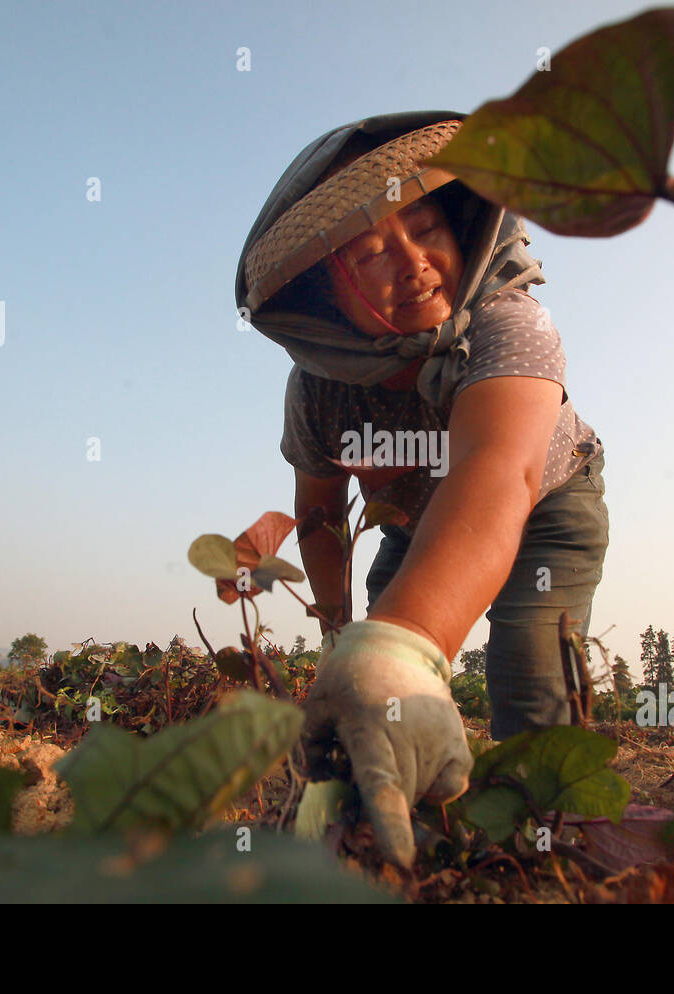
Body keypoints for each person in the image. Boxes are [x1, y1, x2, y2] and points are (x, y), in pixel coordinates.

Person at [235, 111, 609, 869]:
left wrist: (407, 642)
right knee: (381, 700)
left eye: (426, 226)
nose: (413, 264)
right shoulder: (318, 392)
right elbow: (320, 516)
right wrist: (343, 634)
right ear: (324, 299)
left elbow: (500, 472)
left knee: (530, 687)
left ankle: (550, 858)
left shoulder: (512, 323)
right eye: (370, 253)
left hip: (546, 512)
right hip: (409, 523)